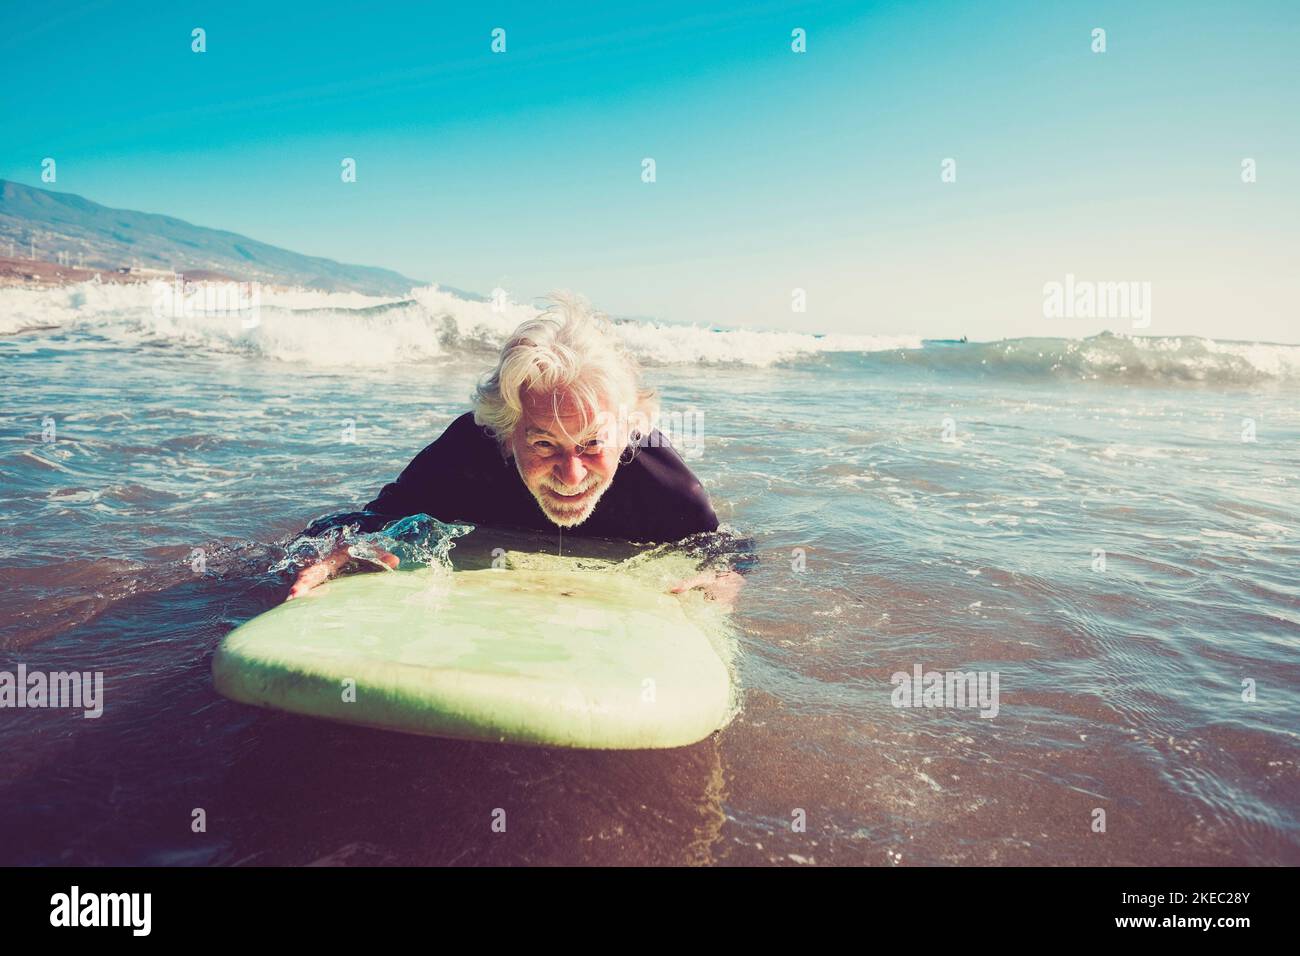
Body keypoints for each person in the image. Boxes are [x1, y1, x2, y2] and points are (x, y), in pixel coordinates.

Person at [286, 294, 747, 604]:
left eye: (591, 445)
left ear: (626, 431)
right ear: (506, 433)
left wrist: (722, 580)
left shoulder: (665, 488)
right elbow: (376, 516)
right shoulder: (468, 452)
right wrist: (344, 549)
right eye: (544, 443)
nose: (571, 475)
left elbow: (728, 550)